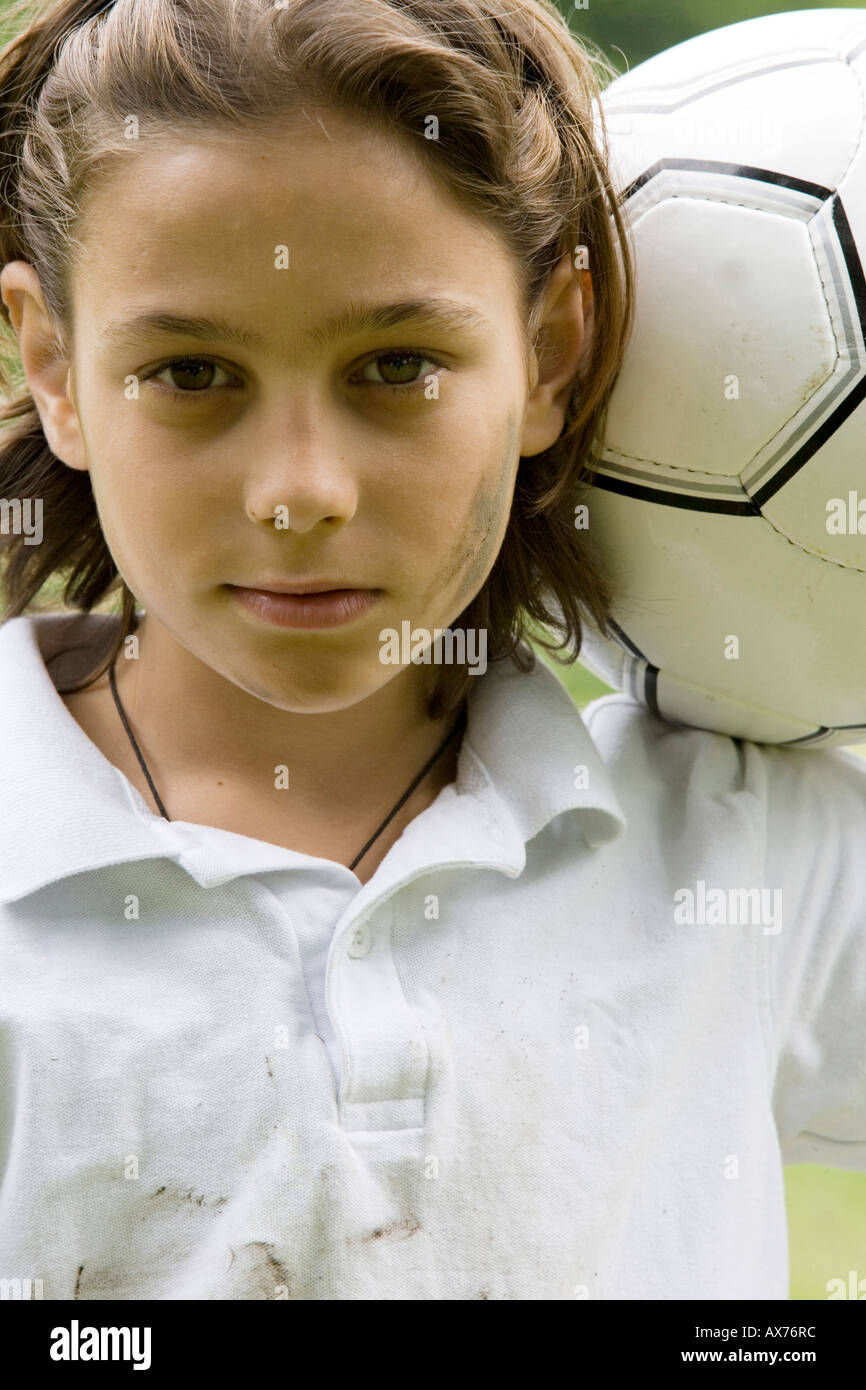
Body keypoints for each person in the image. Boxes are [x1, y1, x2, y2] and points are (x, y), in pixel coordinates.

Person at [0, 0, 862, 1302]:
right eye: (190, 372)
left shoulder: (747, 856)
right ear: (54, 363)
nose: (301, 492)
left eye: (395, 363)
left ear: (552, 349)